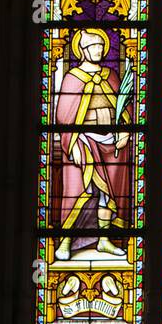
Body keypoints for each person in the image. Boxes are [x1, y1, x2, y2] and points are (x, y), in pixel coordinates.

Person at [54, 28, 131, 259]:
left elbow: (123, 107)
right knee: (81, 190)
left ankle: (104, 240)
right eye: (92, 46)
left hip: (111, 142)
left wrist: (125, 130)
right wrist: (74, 144)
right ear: (82, 50)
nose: (98, 50)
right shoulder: (72, 78)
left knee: (107, 194)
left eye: (100, 46)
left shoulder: (111, 75)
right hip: (84, 140)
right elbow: (64, 115)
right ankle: (65, 242)